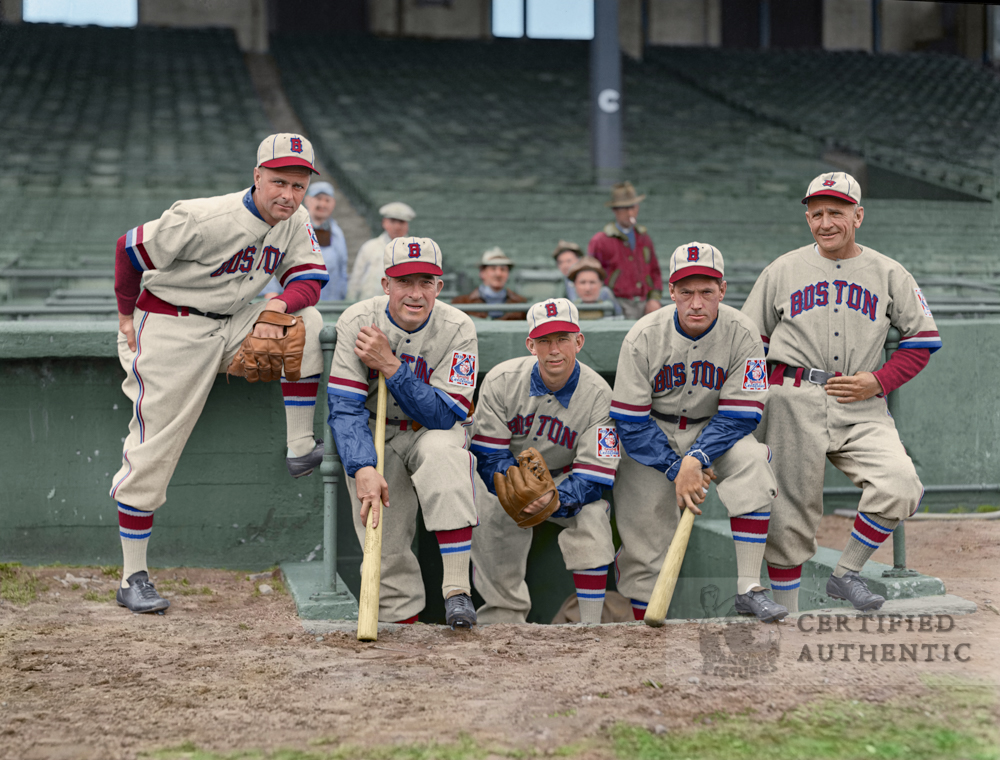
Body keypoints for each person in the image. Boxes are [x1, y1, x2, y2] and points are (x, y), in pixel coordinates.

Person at [110, 133, 329, 613]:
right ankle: (132, 577)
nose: (288, 195)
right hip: (170, 325)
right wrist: (126, 315)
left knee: (306, 322)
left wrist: (275, 306)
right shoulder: (203, 217)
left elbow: (310, 278)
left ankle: (299, 444)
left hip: (231, 322)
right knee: (154, 447)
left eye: (298, 185)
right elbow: (129, 249)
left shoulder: (294, 220)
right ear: (256, 177)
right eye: (278, 182)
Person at [741, 172, 941, 613]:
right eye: (816, 214)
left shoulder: (890, 272)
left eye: (836, 212)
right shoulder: (782, 269)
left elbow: (922, 340)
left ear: (858, 215)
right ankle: (788, 617)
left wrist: (881, 379)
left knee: (901, 484)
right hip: (791, 397)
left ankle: (845, 573)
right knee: (788, 519)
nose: (825, 222)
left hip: (860, 400)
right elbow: (747, 341)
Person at [611, 242, 786, 623]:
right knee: (645, 534)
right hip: (651, 434)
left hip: (717, 428)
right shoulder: (642, 336)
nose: (696, 303)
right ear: (670, 292)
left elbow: (742, 414)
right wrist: (678, 469)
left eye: (706, 291)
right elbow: (630, 421)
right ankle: (643, 625)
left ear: (722, 291)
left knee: (753, 460)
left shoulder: (743, 332)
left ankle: (749, 588)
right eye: (686, 291)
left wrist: (698, 457)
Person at [327, 236, 480, 629]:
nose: (415, 293)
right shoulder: (358, 321)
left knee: (446, 457)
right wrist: (362, 467)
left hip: (432, 428)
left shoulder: (458, 327)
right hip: (376, 433)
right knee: (385, 546)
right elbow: (344, 408)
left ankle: (457, 592)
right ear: (385, 285)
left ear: (439, 287)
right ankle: (403, 634)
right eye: (404, 281)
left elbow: (446, 416)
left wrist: (391, 366)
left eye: (426, 282)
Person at [470, 299, 620, 624]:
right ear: (530, 345)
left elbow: (594, 473)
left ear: (578, 341)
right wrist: (514, 488)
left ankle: (591, 625)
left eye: (563, 339)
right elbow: (488, 454)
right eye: (544, 341)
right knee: (489, 510)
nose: (554, 350)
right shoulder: (501, 381)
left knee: (593, 517)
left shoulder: (598, 394)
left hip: (568, 479)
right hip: (509, 475)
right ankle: (502, 620)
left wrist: (555, 500)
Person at [588, 181, 663, 319]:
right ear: (615, 210)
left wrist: (654, 299)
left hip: (644, 304)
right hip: (615, 305)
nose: (630, 212)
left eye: (632, 207)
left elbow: (654, 271)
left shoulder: (644, 238)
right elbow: (591, 275)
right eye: (624, 208)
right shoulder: (600, 241)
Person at [262, 181, 347, 300]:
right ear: (307, 200)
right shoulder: (290, 225)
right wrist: (271, 293)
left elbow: (342, 269)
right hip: (292, 302)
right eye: (318, 198)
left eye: (327, 200)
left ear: (333, 204)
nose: (323, 204)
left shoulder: (337, 233)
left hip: (329, 302)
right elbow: (271, 260)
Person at [346, 201, 416, 301]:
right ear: (384, 222)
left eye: (401, 222)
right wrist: (351, 302)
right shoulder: (370, 247)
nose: (397, 226)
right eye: (393, 221)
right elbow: (356, 279)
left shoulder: (416, 251)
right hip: (370, 306)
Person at [451, 247, 527, 320]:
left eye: (503, 269)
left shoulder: (521, 303)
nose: (498, 274)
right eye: (493, 269)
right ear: (482, 273)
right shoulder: (462, 303)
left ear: (508, 274)